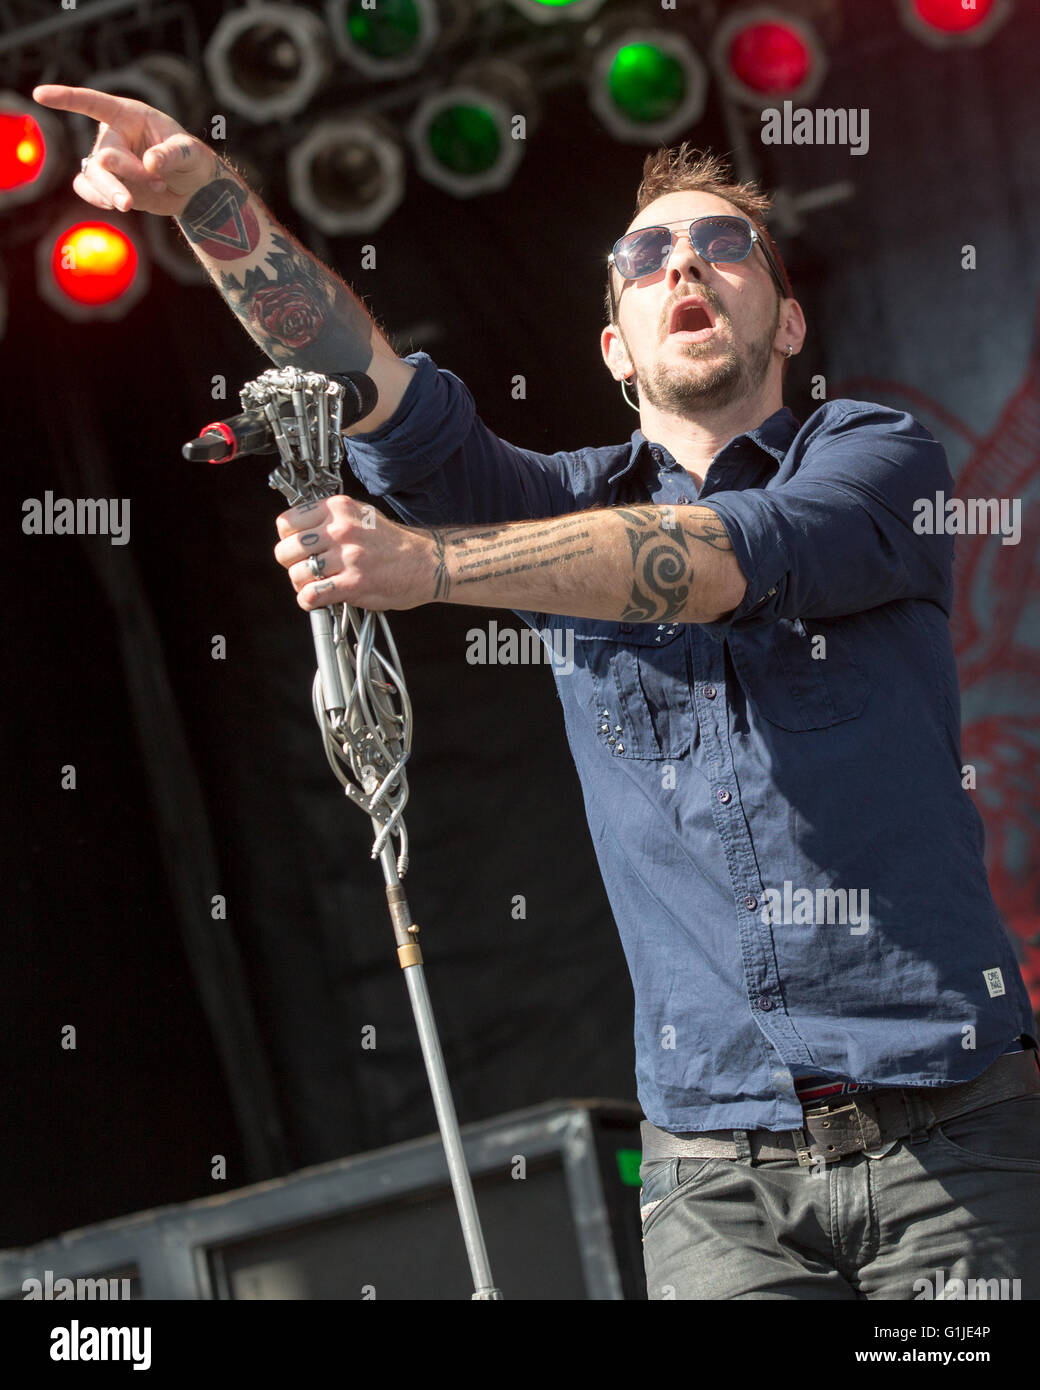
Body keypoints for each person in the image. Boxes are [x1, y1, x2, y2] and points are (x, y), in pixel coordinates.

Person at [35, 84, 1040, 1301]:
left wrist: (429, 565)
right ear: (614, 346)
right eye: (647, 254)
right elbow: (369, 388)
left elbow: (717, 560)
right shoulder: (556, 501)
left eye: (727, 246)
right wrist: (207, 199)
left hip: (948, 1134)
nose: (690, 265)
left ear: (783, 321)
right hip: (714, 1176)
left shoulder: (877, 456)